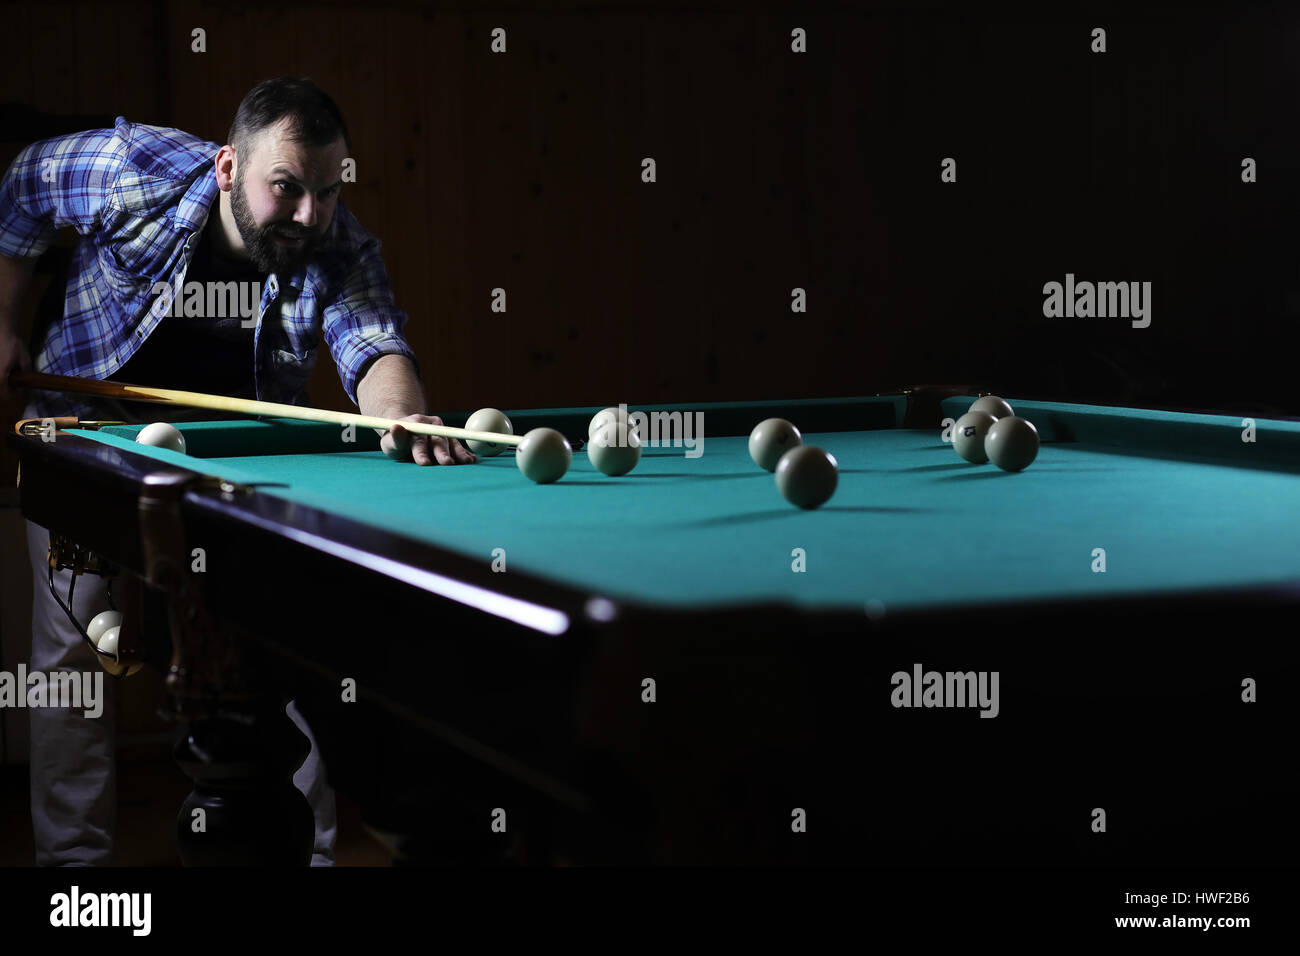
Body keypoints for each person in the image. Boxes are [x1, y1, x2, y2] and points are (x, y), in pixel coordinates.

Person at [0, 77, 475, 865]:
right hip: (85, 445)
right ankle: (71, 872)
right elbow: (19, 188)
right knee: (74, 659)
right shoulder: (131, 171)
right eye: (286, 188)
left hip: (236, 468)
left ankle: (312, 859)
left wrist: (405, 411)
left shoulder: (334, 243)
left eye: (327, 191)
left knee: (281, 651)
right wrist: (5, 320)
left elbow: (374, 340)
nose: (308, 215)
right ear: (228, 169)